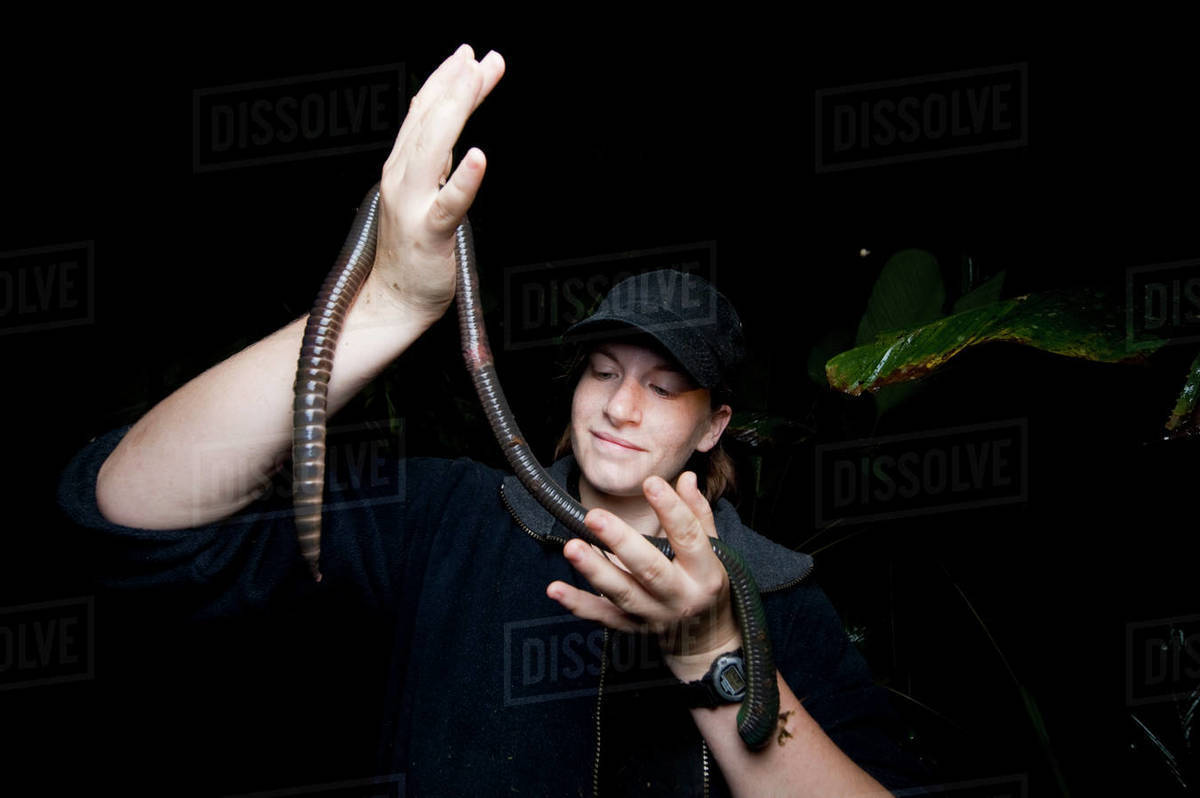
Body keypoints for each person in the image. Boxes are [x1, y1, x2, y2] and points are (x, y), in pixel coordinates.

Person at [56, 45, 925, 796]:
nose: (621, 406)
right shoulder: (450, 523)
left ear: (714, 426)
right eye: (603, 371)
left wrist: (713, 650)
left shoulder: (784, 599)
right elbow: (128, 514)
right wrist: (381, 308)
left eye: (665, 388)